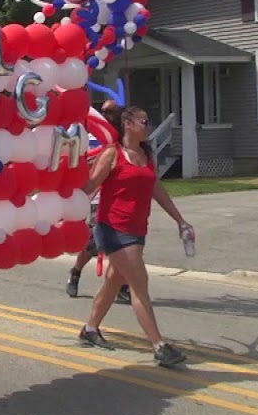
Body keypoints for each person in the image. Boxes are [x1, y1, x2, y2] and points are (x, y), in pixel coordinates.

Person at [78, 105, 191, 367]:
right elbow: (92, 185)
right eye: (144, 121)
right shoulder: (112, 154)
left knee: (113, 282)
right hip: (113, 229)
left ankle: (90, 329)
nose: (148, 126)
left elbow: (156, 189)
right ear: (128, 123)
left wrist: (180, 220)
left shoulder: (144, 155)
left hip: (137, 229)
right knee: (139, 284)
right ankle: (159, 346)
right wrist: (64, 192)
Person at [67, 100, 130, 303]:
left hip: (119, 198)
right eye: (104, 111)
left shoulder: (124, 139)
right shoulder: (93, 136)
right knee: (94, 244)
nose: (107, 115)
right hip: (97, 197)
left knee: (121, 244)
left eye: (112, 111)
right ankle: (75, 272)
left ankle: (121, 284)